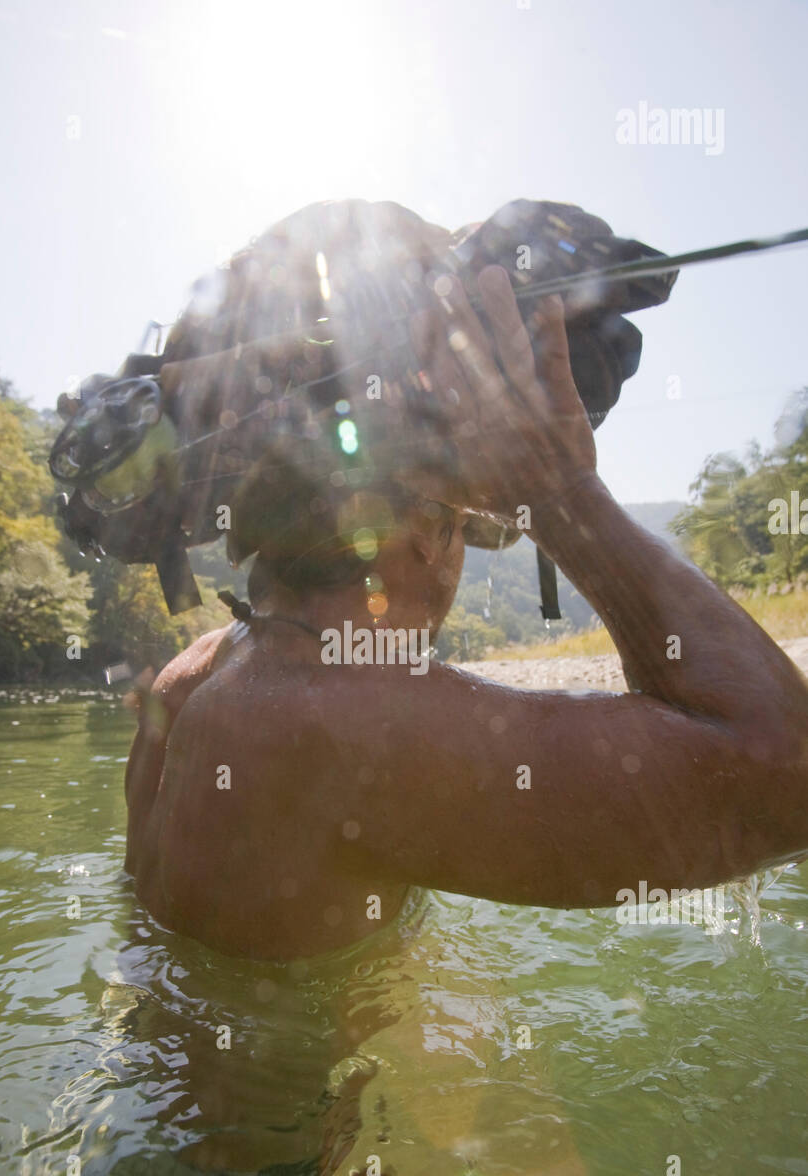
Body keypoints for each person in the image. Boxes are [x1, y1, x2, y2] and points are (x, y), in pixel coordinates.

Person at [124, 263, 808, 960]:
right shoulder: (333, 719)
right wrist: (557, 490)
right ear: (422, 526)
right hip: (317, 1075)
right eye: (467, 522)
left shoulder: (189, 677)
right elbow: (784, 775)